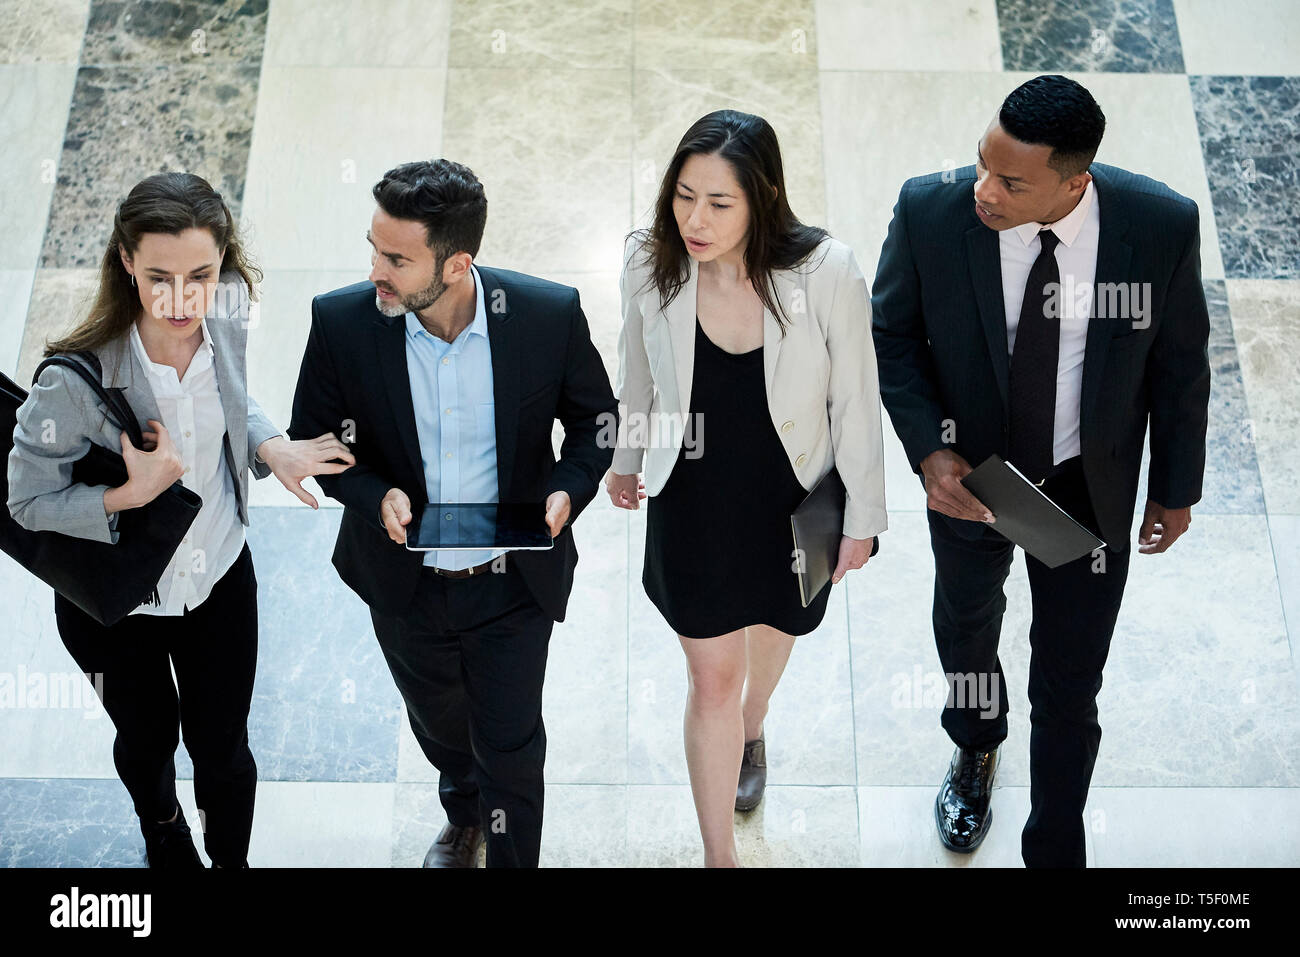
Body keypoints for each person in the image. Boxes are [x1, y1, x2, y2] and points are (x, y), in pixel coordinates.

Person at [871, 75, 1211, 867]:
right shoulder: (931, 211)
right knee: (965, 630)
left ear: (1074, 180)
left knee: (1069, 677)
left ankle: (1056, 838)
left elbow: (1181, 365)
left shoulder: (1159, 225)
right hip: (972, 478)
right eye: (983, 165)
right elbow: (891, 335)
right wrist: (929, 451)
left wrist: (1175, 487)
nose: (985, 191)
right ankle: (976, 746)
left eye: (1011, 181)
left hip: (1086, 489)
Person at [6, 172, 353, 868]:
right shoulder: (70, 384)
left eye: (201, 273)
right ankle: (163, 825)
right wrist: (128, 496)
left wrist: (268, 443)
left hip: (219, 576)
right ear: (127, 261)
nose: (181, 299)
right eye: (159, 275)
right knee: (147, 738)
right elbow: (23, 501)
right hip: (116, 606)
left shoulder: (225, 307)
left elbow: (231, 398)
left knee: (224, 744)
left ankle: (231, 863)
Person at [289, 159, 616, 868]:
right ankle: (464, 810)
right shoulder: (342, 321)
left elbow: (598, 423)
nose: (376, 269)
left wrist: (568, 489)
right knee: (439, 726)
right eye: (374, 248)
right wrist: (376, 495)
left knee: (511, 743)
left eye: (396, 259)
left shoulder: (543, 315)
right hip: (405, 583)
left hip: (511, 580)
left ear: (458, 262)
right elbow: (315, 436)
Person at [607, 110, 887, 867]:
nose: (694, 219)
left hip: (791, 494)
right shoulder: (648, 260)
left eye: (719, 203)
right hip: (691, 492)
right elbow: (637, 369)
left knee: (774, 631)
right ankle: (719, 855)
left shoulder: (827, 270)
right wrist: (625, 458)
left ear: (762, 199)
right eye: (683, 195)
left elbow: (856, 399)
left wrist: (864, 515)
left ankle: (754, 722)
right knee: (710, 675)